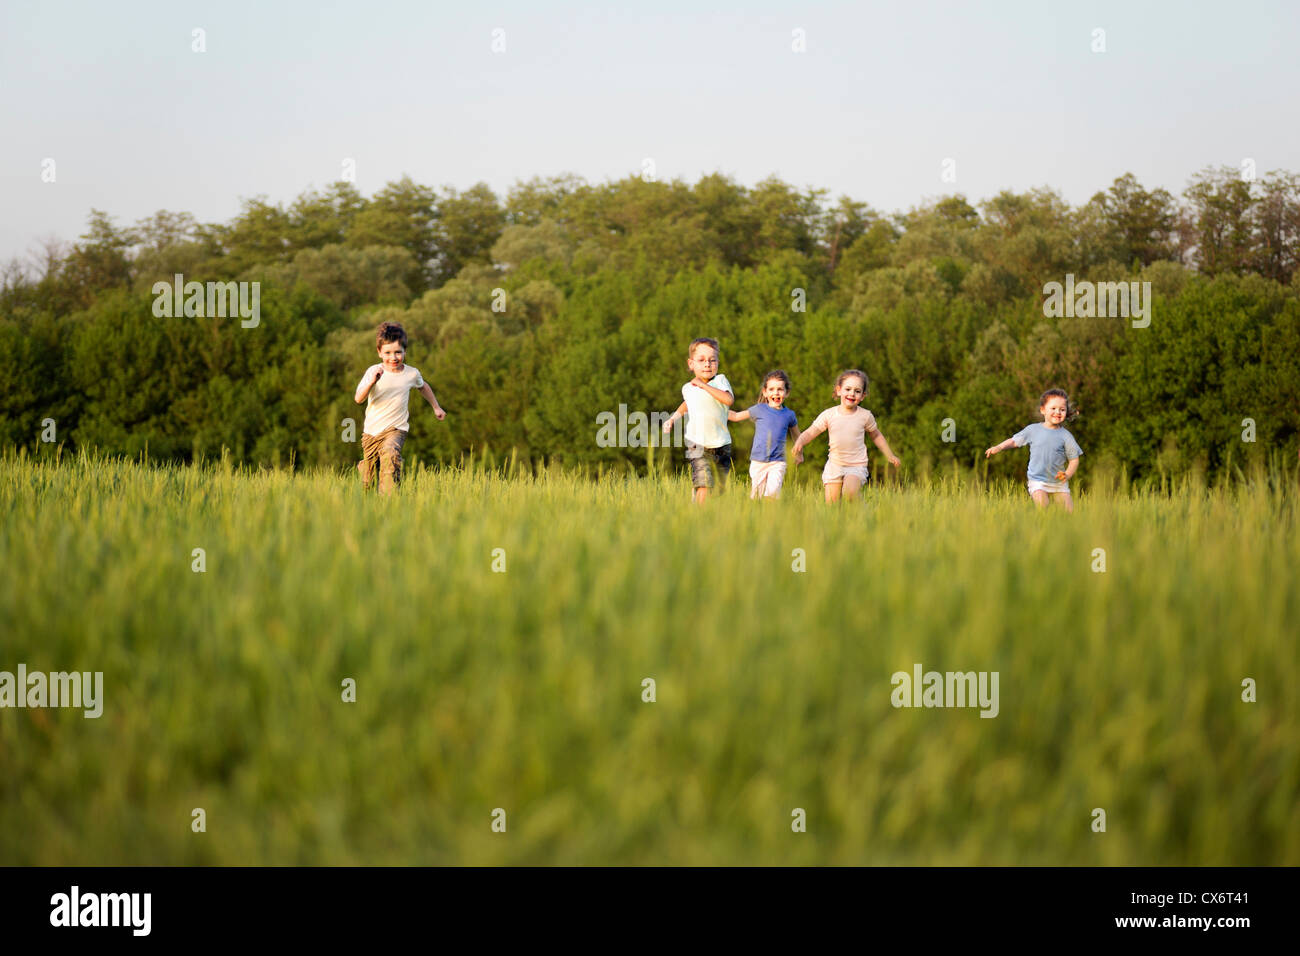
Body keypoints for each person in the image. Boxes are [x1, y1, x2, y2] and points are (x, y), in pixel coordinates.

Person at [353, 321, 446, 494]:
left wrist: (436, 407)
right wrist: (372, 381)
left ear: (405, 351)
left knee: (390, 454)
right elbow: (358, 398)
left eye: (398, 352)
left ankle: (389, 498)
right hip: (371, 433)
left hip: (396, 429)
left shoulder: (411, 373)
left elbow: (423, 386)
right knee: (368, 483)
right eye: (388, 353)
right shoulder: (373, 371)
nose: (393, 357)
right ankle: (365, 468)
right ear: (379, 352)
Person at [792, 369, 900, 504]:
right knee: (832, 504)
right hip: (834, 464)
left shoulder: (865, 416)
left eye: (857, 391)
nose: (852, 394)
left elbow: (876, 435)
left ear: (863, 396)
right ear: (838, 390)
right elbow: (811, 432)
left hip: (856, 465)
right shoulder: (829, 415)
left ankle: (865, 514)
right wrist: (800, 442)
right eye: (848, 389)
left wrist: (889, 454)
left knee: (850, 493)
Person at [661, 338, 734, 503]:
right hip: (697, 444)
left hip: (721, 444)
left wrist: (703, 385)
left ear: (718, 363)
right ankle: (698, 517)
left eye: (712, 360)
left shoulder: (720, 381)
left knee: (717, 490)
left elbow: (728, 400)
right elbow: (687, 404)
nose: (707, 364)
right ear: (691, 363)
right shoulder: (688, 388)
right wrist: (673, 419)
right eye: (701, 360)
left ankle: (700, 502)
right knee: (704, 483)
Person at [985, 388, 1082, 512]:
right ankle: (1041, 528)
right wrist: (999, 447)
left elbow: (1074, 459)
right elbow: (1014, 441)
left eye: (1062, 409)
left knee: (1068, 511)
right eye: (1053, 408)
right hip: (1037, 480)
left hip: (1058, 482)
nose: (1057, 412)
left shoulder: (1066, 436)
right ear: (1043, 410)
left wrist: (1067, 474)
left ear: (1066, 412)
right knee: (1043, 506)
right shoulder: (1033, 430)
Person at [727, 370, 800, 500]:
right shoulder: (759, 409)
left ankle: (770, 518)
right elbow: (736, 416)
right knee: (756, 497)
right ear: (765, 392)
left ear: (786, 393)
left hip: (778, 461)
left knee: (772, 495)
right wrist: (716, 409)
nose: (776, 393)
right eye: (771, 389)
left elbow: (798, 436)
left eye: (780, 389)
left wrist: (799, 453)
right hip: (758, 460)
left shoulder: (789, 415)